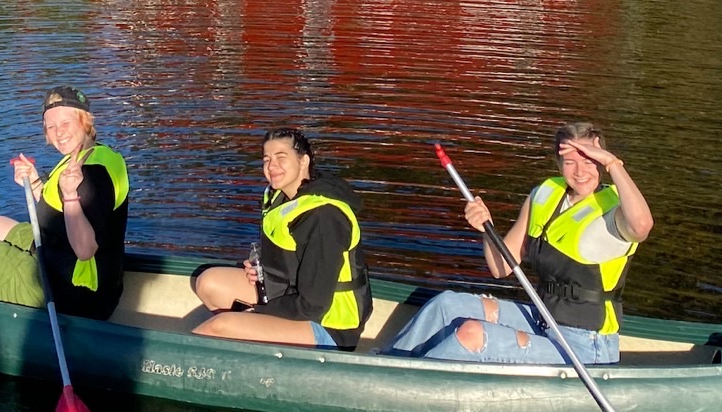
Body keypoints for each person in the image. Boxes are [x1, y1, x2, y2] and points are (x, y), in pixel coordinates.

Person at [387, 122, 652, 366]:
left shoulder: (614, 211)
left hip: (585, 346)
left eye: (589, 160)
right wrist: (485, 228)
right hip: (543, 320)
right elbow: (501, 267)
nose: (580, 172)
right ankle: (389, 365)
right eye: (570, 162)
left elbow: (641, 226)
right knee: (446, 305)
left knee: (472, 334)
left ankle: (409, 383)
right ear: (558, 165)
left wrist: (613, 163)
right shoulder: (545, 196)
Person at [0, 85, 129, 321]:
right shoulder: (97, 154)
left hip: (77, 295)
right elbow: (55, 210)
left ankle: (1, 328)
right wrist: (35, 183)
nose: (59, 133)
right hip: (74, 265)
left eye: (66, 123)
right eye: (51, 126)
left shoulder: (89, 175)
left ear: (84, 122)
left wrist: (70, 196)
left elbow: (86, 251)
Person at [192, 128, 372, 349]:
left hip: (328, 327)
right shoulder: (282, 199)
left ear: (303, 161)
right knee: (209, 283)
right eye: (266, 159)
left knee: (219, 326)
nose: (271, 166)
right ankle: (252, 349)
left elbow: (313, 306)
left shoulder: (323, 216)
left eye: (281, 157)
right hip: (290, 300)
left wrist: (258, 312)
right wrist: (263, 271)